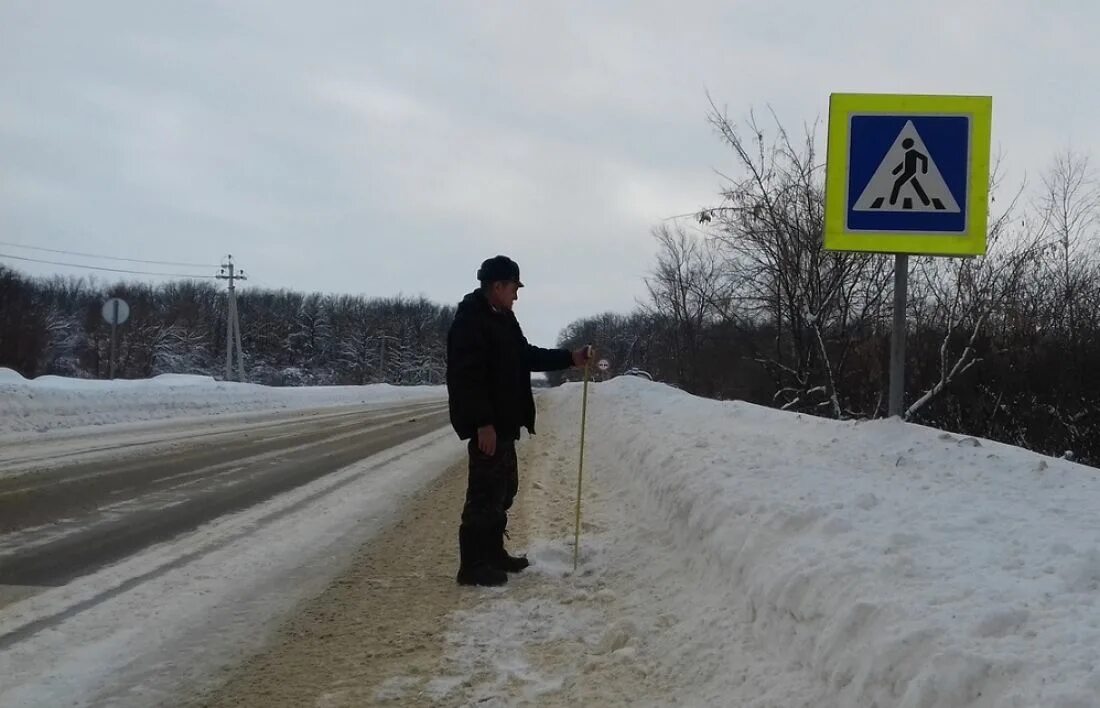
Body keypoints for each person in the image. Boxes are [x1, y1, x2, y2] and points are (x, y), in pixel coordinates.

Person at [446, 255, 592, 586]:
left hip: (506, 421)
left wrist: (570, 358)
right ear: (497, 286)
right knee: (483, 494)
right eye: (514, 287)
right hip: (489, 424)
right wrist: (483, 423)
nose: (516, 295)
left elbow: (525, 356)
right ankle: (472, 565)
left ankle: (493, 552)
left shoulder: (504, 320)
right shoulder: (470, 322)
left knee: (503, 490)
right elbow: (467, 378)